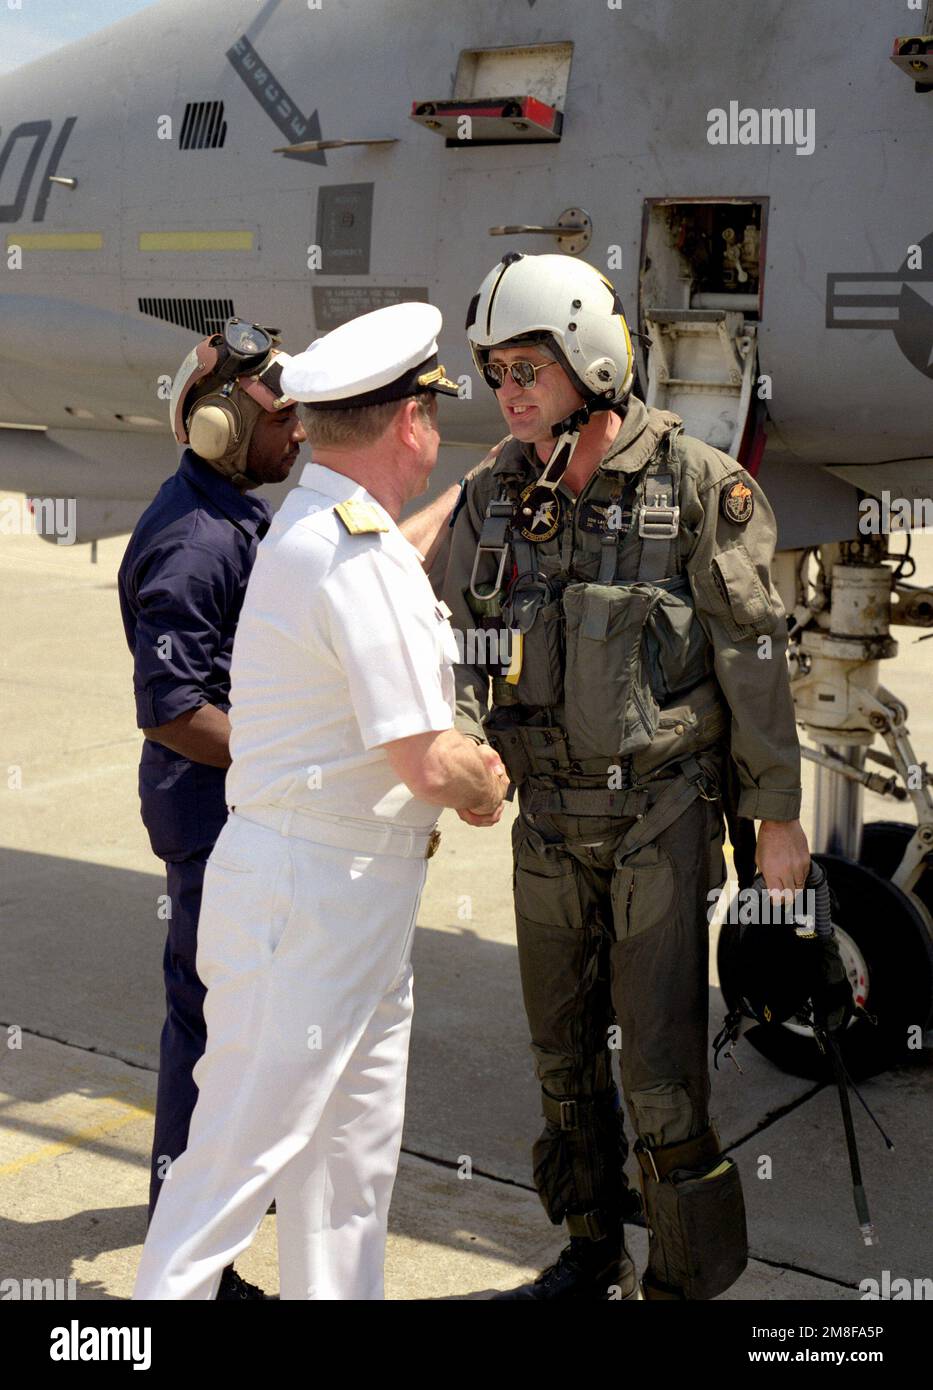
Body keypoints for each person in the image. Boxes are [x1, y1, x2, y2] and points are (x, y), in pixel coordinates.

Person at [442, 252, 811, 1300]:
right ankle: (591, 1248)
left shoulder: (698, 485)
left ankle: (682, 1284)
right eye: (496, 373)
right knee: (562, 1066)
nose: (508, 393)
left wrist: (774, 817)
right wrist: (461, 741)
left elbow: (752, 654)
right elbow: (458, 642)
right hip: (546, 826)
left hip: (658, 816)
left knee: (658, 1078)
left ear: (591, 363)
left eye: (528, 369)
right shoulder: (494, 498)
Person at [132, 301, 509, 1300]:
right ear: (410, 423)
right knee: (229, 1174)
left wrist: (469, 496)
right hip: (312, 904)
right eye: (431, 407)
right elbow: (431, 764)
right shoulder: (348, 553)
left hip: (345, 903)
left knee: (346, 1180)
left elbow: (388, 568)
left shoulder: (324, 526)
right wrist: (486, 778)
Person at [118, 319, 305, 1299]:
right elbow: (175, 709)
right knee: (206, 1042)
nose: (302, 430)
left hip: (243, 812)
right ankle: (188, 1264)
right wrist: (290, 760)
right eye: (283, 414)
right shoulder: (193, 540)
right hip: (214, 819)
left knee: (234, 1034)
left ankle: (206, 1214)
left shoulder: (231, 513)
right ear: (225, 427)